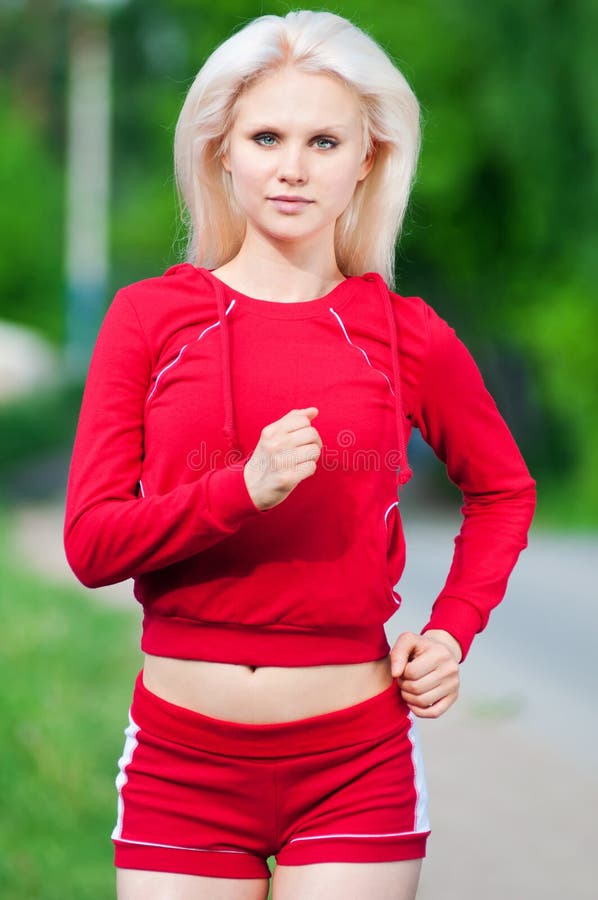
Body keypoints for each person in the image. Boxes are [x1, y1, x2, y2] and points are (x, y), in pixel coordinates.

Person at [63, 10, 536, 900]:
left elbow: (503, 492)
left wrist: (451, 630)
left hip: (353, 761)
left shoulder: (405, 336)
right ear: (221, 151)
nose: (291, 166)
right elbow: (90, 546)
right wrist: (240, 489)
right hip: (180, 762)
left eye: (323, 140)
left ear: (367, 158)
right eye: (266, 136)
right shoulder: (148, 320)